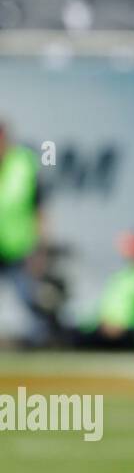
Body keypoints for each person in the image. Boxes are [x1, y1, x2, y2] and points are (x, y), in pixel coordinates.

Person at [0, 119, 51, 347]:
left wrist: (40, 248)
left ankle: (44, 344)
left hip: (19, 247)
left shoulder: (24, 164)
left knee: (31, 299)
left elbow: (39, 210)